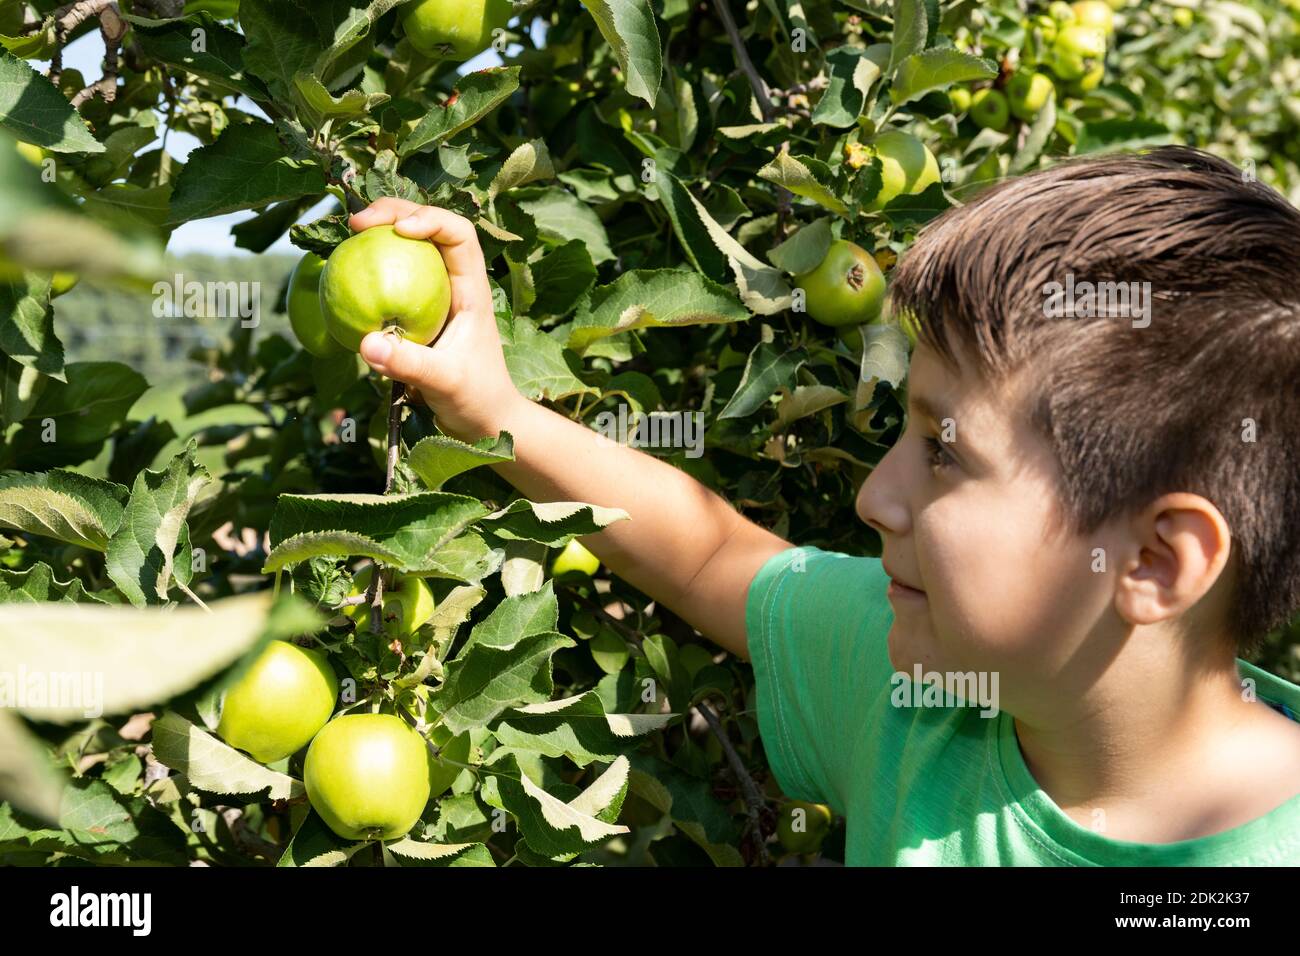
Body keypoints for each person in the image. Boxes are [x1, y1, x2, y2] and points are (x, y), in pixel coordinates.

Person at [345, 145, 1300, 865]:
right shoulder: (919, 701)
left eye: (943, 452)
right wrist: (494, 410)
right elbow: (710, 559)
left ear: (1155, 563)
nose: (875, 494)